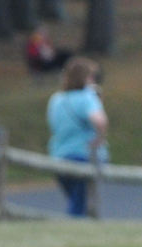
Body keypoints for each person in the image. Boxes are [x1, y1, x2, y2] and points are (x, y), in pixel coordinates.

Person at [46, 57, 107, 216]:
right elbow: (100, 121)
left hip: (59, 156)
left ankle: (81, 224)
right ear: (86, 78)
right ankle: (76, 227)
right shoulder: (87, 98)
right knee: (80, 204)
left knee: (75, 198)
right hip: (83, 155)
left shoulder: (56, 100)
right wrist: (99, 139)